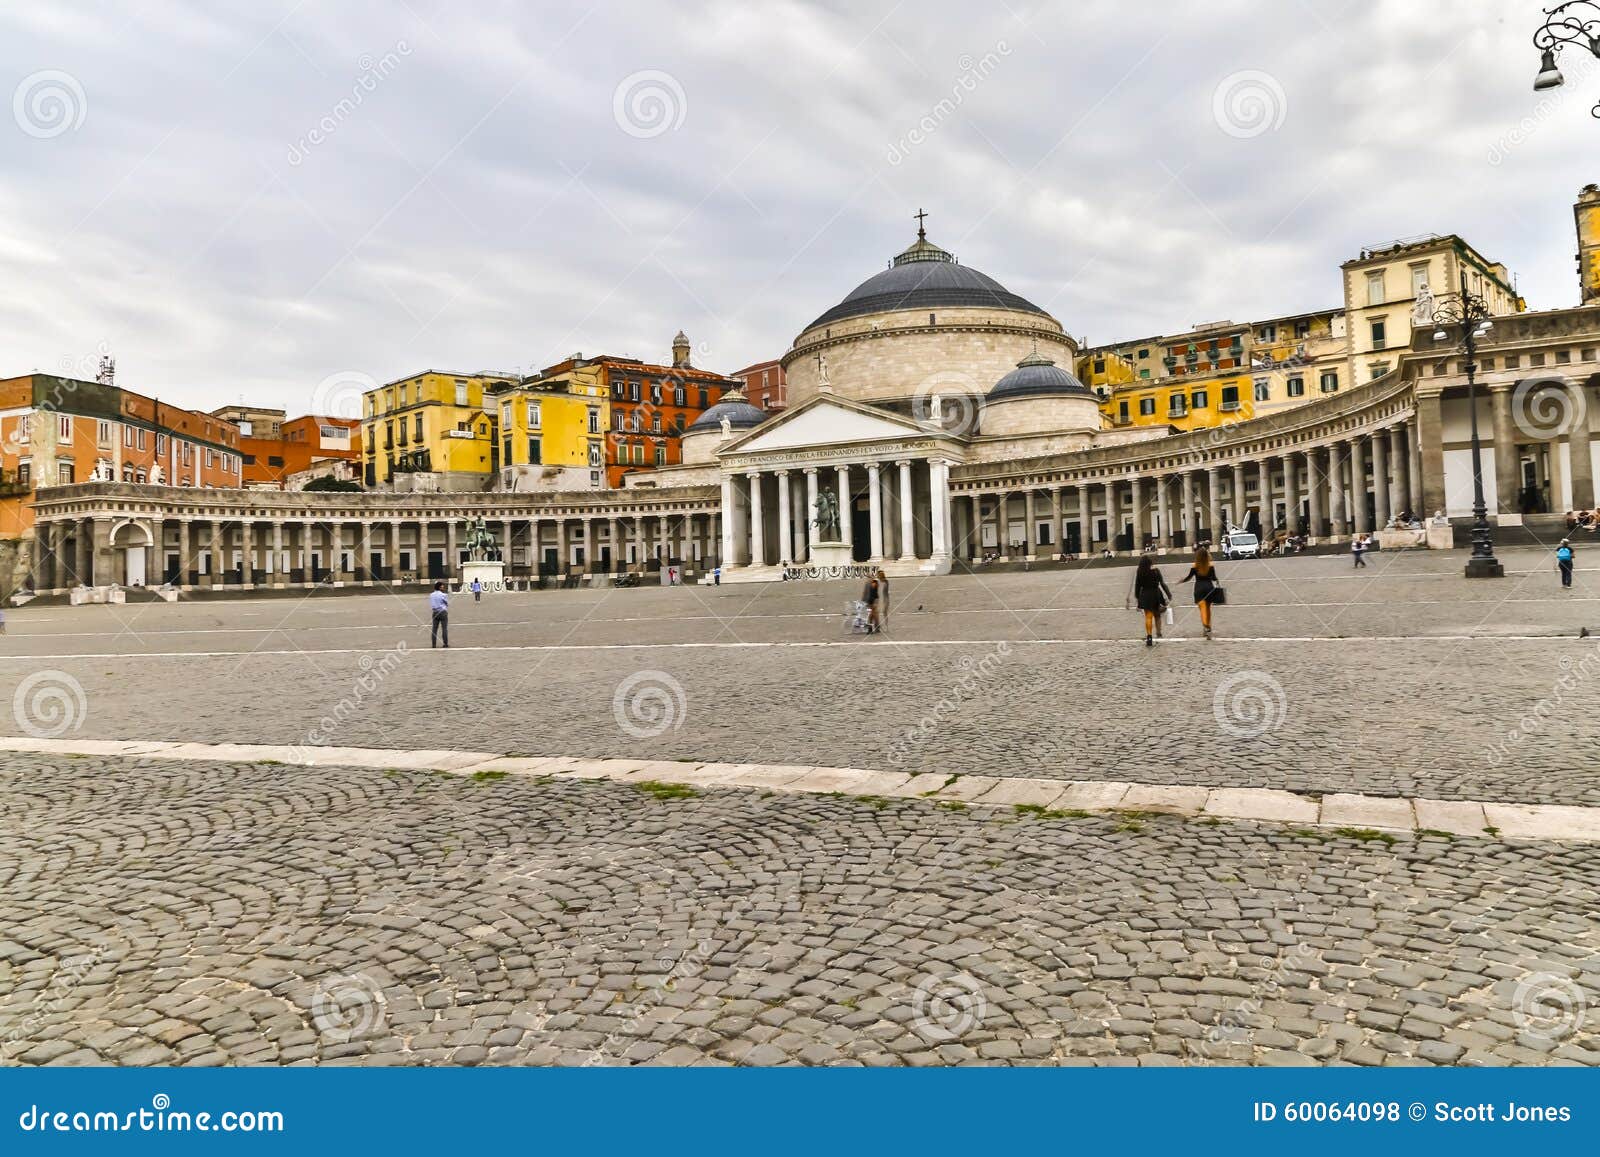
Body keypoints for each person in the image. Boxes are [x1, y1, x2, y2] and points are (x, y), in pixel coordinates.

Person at [1179, 545, 1222, 640]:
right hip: (1209, 587)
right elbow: (1214, 578)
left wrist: (1182, 580)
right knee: (1208, 608)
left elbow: (1189, 577)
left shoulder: (1195, 566)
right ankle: (1209, 627)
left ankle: (1206, 627)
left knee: (1202, 609)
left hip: (1199, 588)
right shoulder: (1210, 565)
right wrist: (1217, 581)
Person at [1129, 555, 1171, 648]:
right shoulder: (1156, 571)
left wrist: (1137, 597)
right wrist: (1169, 595)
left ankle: (1149, 636)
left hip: (1145, 595)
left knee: (1148, 616)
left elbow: (1137, 586)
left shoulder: (1139, 571)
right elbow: (1162, 583)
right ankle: (1159, 633)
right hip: (1156, 593)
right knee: (1157, 615)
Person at [429, 581, 449, 648]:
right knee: (444, 629)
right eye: (442, 586)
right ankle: (445, 643)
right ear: (440, 587)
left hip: (435, 612)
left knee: (434, 629)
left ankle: (434, 644)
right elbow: (447, 603)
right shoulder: (444, 595)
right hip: (443, 612)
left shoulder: (431, 595)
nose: (443, 587)